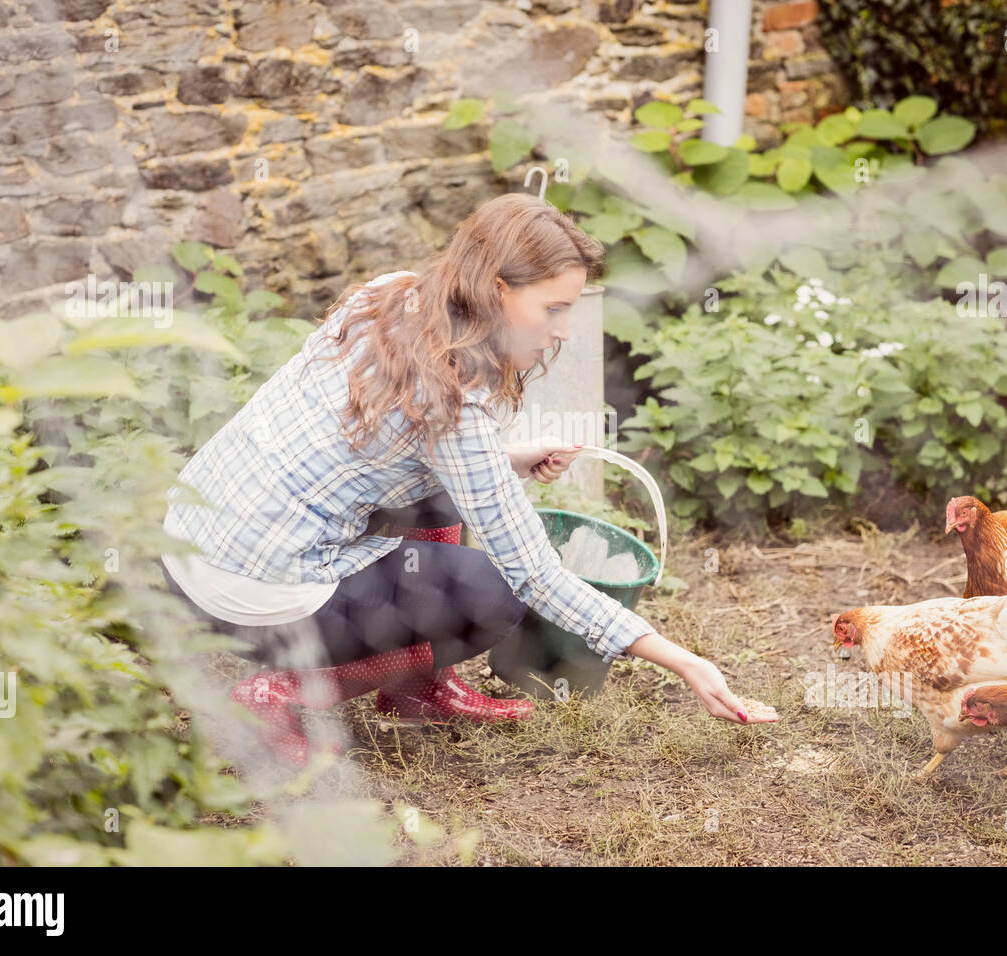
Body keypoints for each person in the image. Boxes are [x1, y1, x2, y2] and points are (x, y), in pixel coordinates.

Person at [158, 193, 774, 768]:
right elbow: (534, 574)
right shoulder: (452, 400)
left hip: (190, 549)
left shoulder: (391, 295)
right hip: (255, 597)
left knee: (446, 497)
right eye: (554, 309)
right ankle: (278, 693)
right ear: (498, 289)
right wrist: (683, 661)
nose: (563, 331)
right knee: (492, 594)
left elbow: (385, 449)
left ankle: (419, 691)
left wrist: (507, 458)